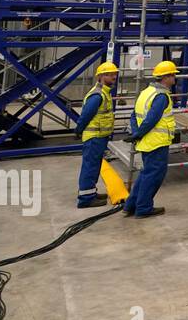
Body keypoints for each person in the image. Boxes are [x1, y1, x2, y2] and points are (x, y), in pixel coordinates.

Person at [124, 61, 181, 219]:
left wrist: (136, 133)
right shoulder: (161, 96)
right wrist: (138, 134)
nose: (175, 78)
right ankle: (143, 208)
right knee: (153, 176)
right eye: (173, 75)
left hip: (147, 141)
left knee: (145, 174)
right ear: (165, 77)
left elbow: (134, 115)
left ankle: (131, 205)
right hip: (157, 141)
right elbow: (151, 119)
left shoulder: (146, 92)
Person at [75, 61, 118, 208]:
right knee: (90, 166)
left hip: (100, 136)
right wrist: (78, 129)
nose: (114, 77)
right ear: (100, 76)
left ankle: (90, 193)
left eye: (114, 74)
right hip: (94, 137)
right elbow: (86, 115)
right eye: (110, 74)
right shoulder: (98, 95)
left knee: (95, 166)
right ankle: (85, 199)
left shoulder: (104, 93)